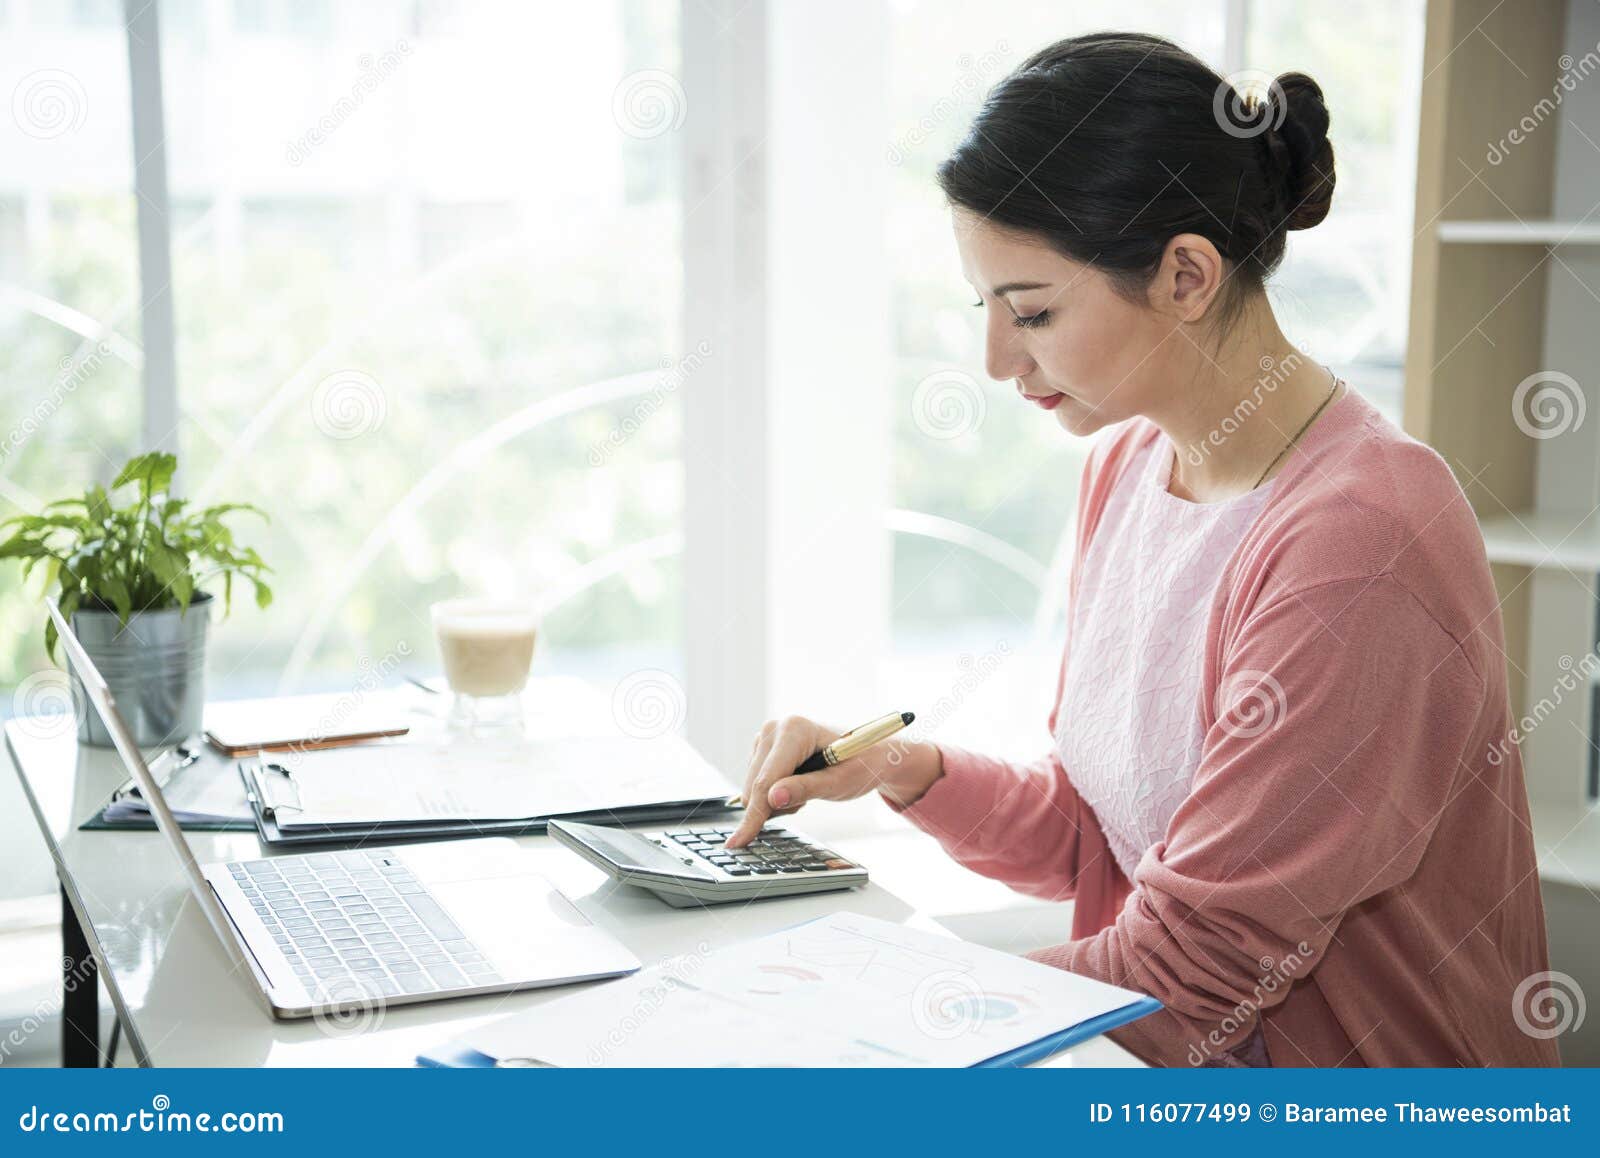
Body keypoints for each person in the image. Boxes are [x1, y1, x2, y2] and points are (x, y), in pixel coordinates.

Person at [726, 32, 1557, 1067]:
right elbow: (1103, 830)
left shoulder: (1361, 539)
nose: (994, 359)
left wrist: (863, 1007)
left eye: (1029, 311)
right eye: (983, 308)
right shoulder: (1126, 468)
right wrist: (897, 766)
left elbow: (1191, 972)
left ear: (1185, 275)